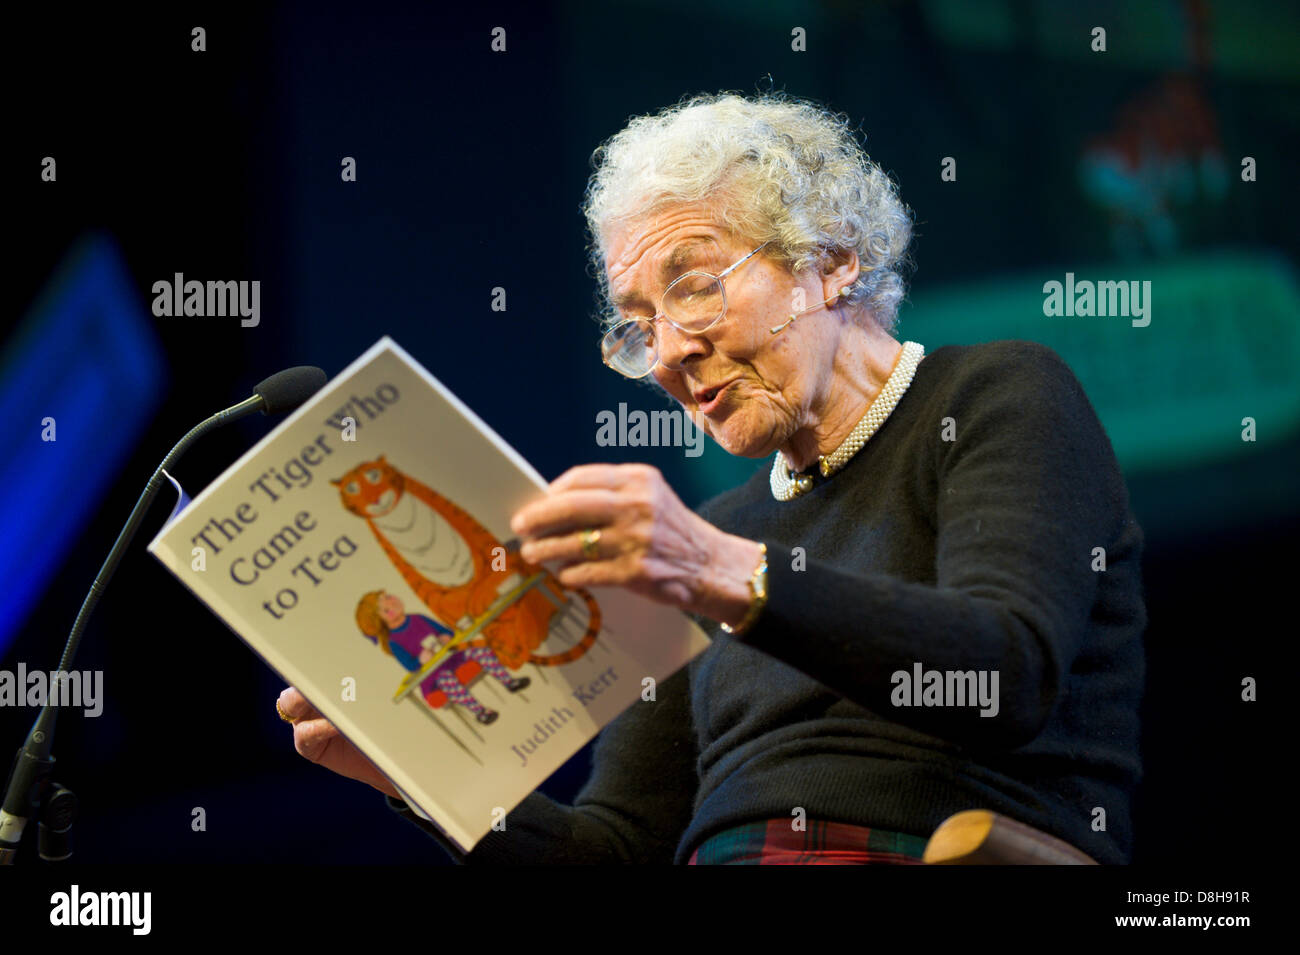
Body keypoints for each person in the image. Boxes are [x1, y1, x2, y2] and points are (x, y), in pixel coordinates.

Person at [276, 91, 1146, 865]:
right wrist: (416, 775)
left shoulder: (997, 395)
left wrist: (715, 568)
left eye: (693, 288)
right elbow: (615, 847)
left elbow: (1001, 675)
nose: (667, 353)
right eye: (638, 325)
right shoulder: (712, 532)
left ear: (833, 258)